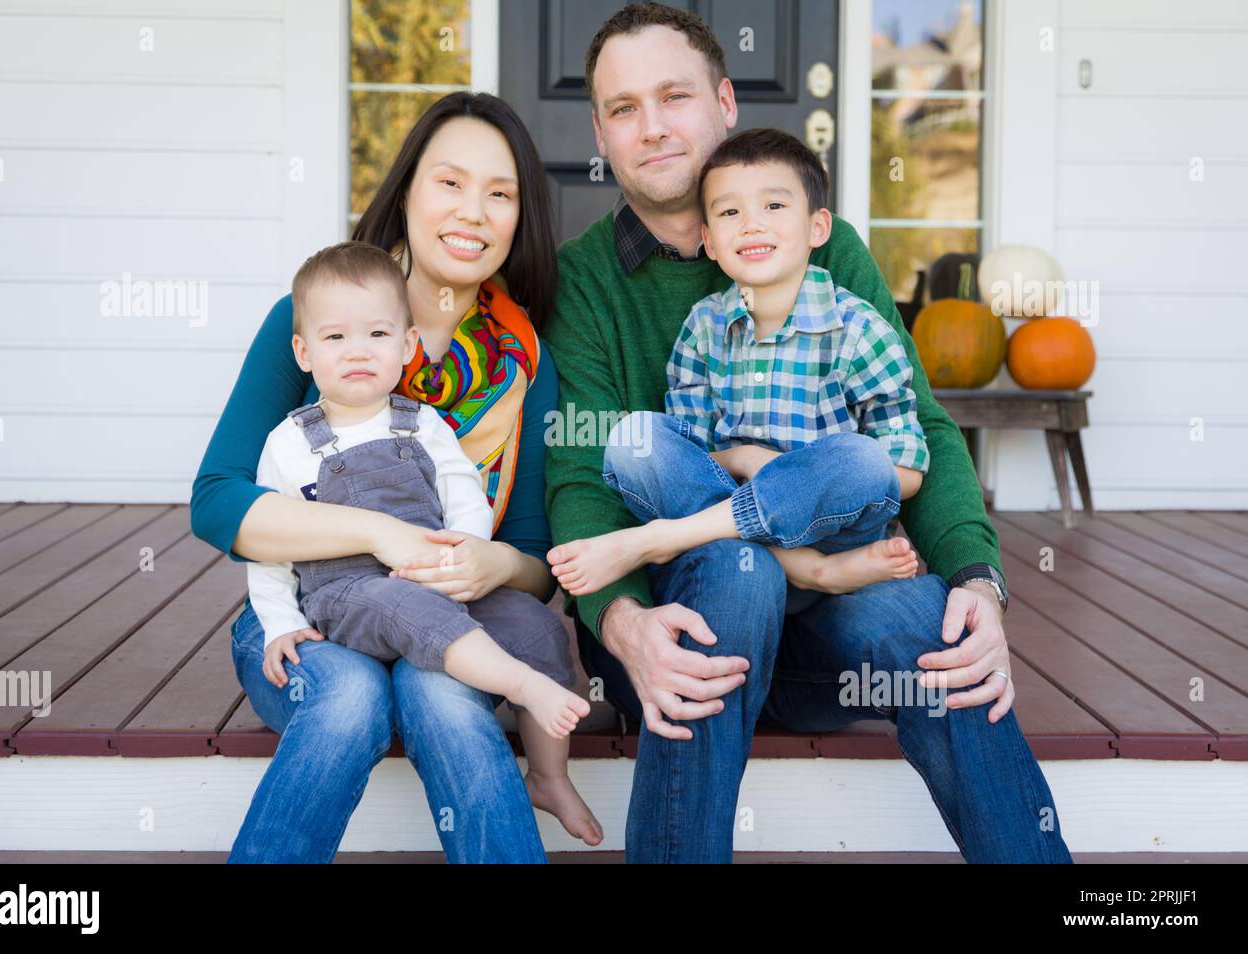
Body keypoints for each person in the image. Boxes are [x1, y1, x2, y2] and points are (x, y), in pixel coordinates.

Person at [541, 2, 1071, 863]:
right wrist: (623, 624)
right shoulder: (583, 280)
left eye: (673, 96)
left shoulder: (827, 251)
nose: (653, 128)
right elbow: (578, 474)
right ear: (601, 131)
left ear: (724, 102)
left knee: (930, 618)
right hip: (689, 623)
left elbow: (916, 428)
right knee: (725, 556)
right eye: (624, 108)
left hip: (832, 625)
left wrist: (978, 578)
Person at [191, 92, 582, 862]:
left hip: (450, 623)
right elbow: (218, 499)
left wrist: (489, 562)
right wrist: (378, 532)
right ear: (406, 191)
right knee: (349, 699)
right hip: (307, 616)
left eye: (499, 194)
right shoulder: (314, 319)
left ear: (519, 217)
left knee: (443, 697)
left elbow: (535, 560)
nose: (473, 212)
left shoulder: (529, 367)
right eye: (449, 183)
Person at [246, 241, 601, 843]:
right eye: (335, 339)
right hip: (344, 595)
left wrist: (467, 552)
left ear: (406, 346)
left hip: (433, 581)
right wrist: (280, 622)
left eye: (377, 334)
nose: (358, 351)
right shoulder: (289, 443)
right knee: (403, 604)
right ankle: (517, 684)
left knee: (534, 626)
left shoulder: (422, 422)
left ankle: (549, 774)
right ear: (303, 353)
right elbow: (268, 544)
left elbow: (464, 492)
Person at [549, 127, 925, 599]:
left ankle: (656, 541)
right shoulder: (704, 327)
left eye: (774, 206)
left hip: (840, 539)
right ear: (709, 239)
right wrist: (747, 459)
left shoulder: (859, 329)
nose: (751, 225)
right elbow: (693, 465)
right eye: (730, 212)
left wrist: (803, 476)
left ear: (818, 227)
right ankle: (799, 567)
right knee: (636, 439)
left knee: (862, 458)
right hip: (740, 551)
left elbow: (906, 472)